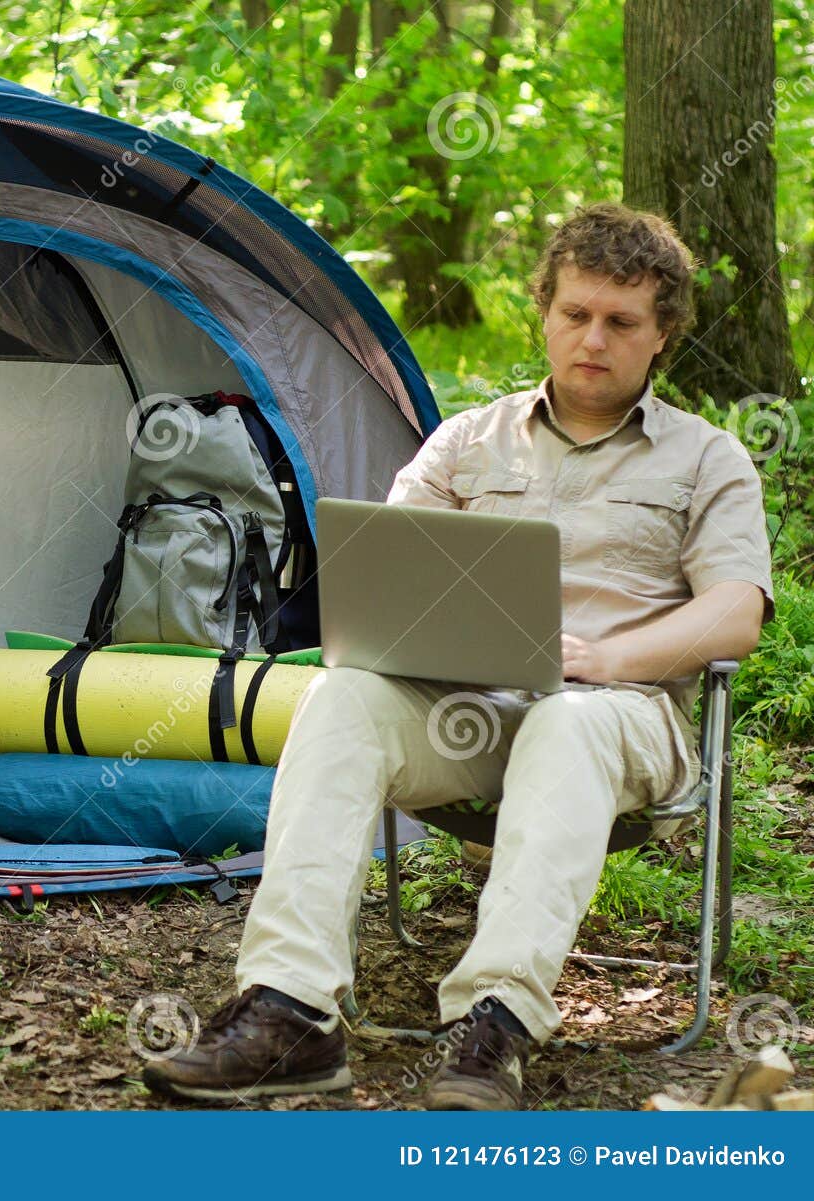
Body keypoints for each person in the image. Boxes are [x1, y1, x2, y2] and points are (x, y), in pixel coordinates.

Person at [144, 202, 775, 1110]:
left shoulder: (707, 459)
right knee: (343, 697)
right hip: (469, 710)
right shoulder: (466, 441)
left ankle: (494, 1026)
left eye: (621, 321)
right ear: (546, 313)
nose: (592, 338)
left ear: (662, 334)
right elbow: (388, 568)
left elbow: (734, 612)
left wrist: (607, 656)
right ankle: (291, 1013)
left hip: (623, 719)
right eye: (575, 313)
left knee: (570, 716)